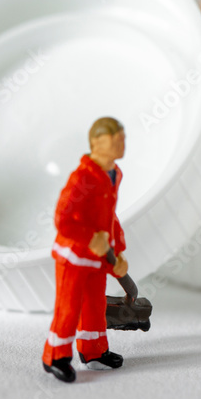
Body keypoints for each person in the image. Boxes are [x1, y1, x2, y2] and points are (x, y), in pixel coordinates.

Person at [42, 117, 129, 383]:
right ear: (97, 142)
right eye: (116, 140)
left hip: (98, 258)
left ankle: (94, 352)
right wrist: (91, 238)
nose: (122, 144)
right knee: (68, 308)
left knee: (95, 306)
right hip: (73, 257)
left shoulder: (113, 174)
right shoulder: (82, 177)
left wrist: (118, 250)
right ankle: (55, 356)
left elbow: (109, 217)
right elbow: (63, 220)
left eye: (123, 138)